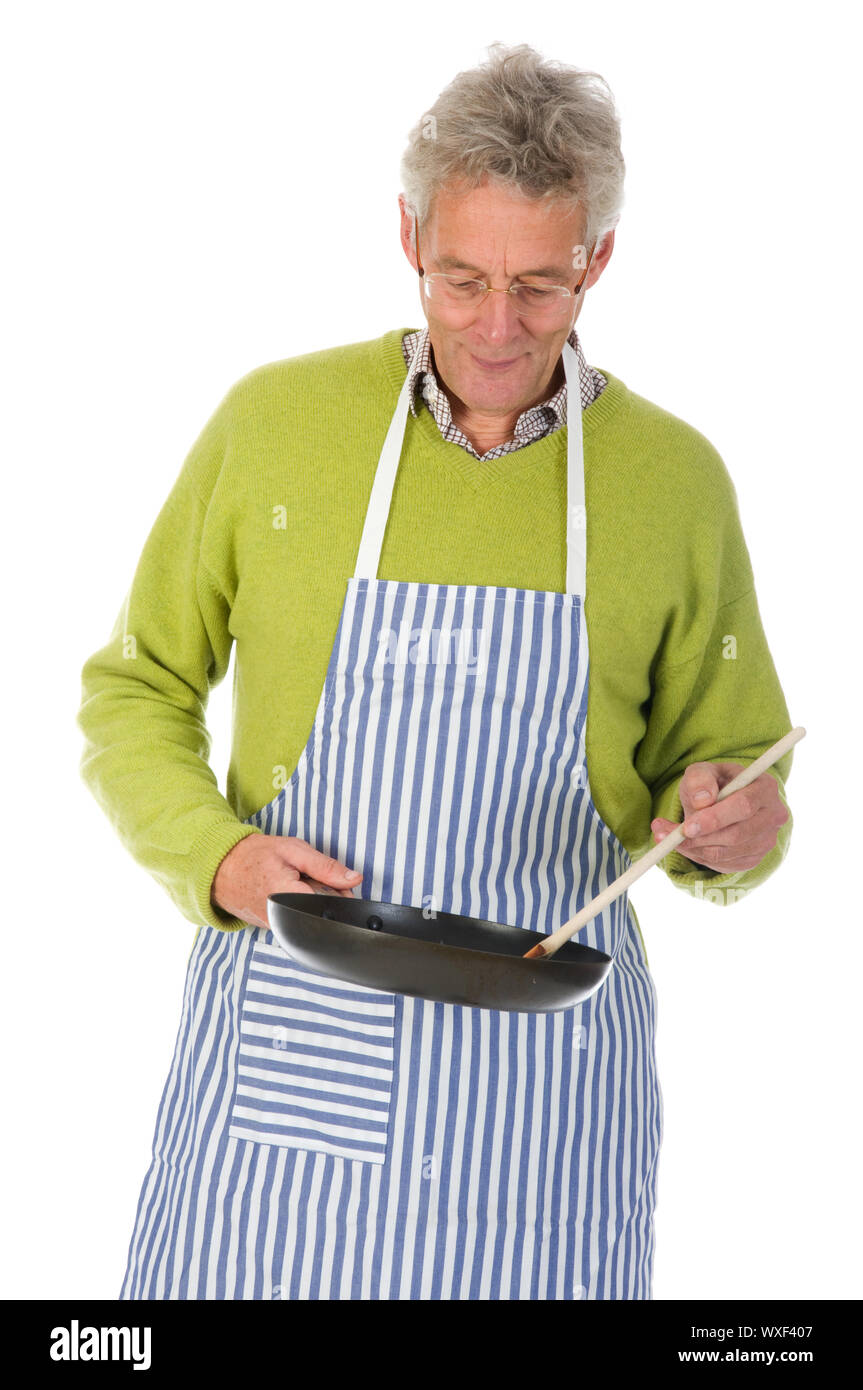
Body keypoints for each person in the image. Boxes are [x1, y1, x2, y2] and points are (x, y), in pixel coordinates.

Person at [77, 42, 794, 1301]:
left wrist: (730, 826)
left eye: (540, 286)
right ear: (405, 236)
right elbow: (132, 690)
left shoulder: (673, 482)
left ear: (599, 259)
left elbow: (728, 770)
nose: (496, 328)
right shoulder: (273, 425)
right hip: (285, 1060)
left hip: (544, 1101)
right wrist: (215, 854)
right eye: (460, 279)